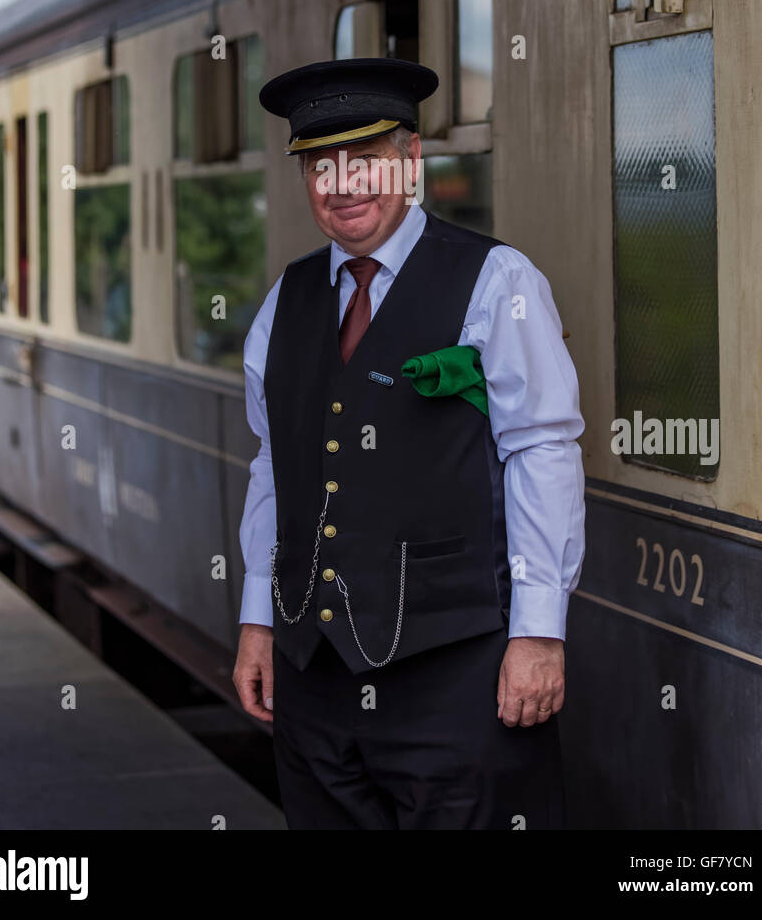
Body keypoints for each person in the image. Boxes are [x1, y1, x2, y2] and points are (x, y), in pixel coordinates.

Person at [233, 56, 585, 830]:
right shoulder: (284, 300)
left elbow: (544, 455)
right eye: (320, 165)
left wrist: (538, 634)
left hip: (459, 678)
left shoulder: (498, 281)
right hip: (314, 683)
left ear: (411, 161)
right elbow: (274, 467)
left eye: (364, 159)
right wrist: (258, 618)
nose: (342, 183)